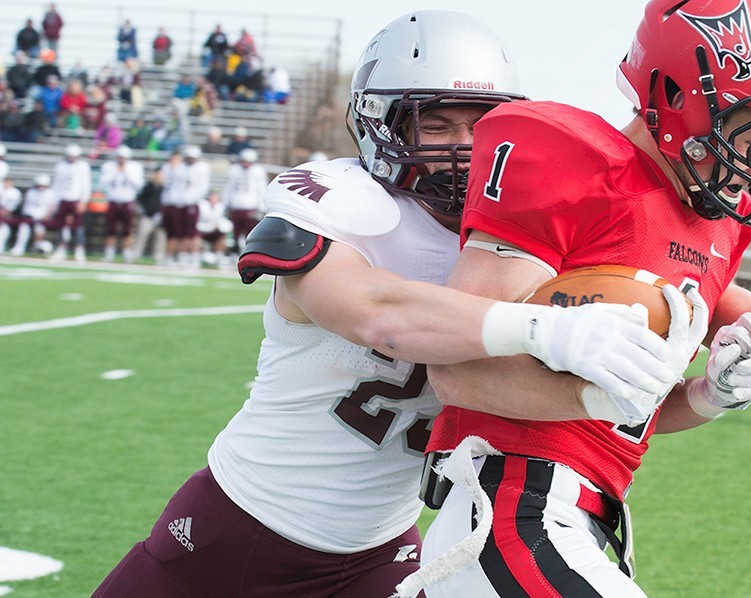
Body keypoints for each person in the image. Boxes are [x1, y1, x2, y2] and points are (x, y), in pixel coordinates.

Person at [92, 11, 688, 597]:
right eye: (436, 125)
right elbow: (379, 315)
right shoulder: (347, 211)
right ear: (383, 124)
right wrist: (542, 327)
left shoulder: (519, 243)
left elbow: (585, 412)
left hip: (383, 551)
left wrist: (709, 386)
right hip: (242, 526)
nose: (463, 148)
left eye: (479, 126)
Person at [407, 1, 751, 597]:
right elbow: (459, 372)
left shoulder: (708, 221)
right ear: (678, 96)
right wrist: (586, 384)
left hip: (577, 515)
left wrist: (719, 386)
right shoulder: (576, 163)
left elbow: (626, 414)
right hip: (508, 508)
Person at [159, 144, 208, 267]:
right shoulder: (179, 168)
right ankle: (180, 255)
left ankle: (190, 256)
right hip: (178, 204)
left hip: (191, 203)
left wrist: (192, 199)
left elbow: (202, 187)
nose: (190, 160)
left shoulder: (201, 168)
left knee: (191, 233)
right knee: (178, 232)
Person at [99, 145, 145, 262]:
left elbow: (139, 184)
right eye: (120, 157)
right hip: (113, 200)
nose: (121, 159)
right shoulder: (109, 166)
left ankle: (126, 253)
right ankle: (109, 253)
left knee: (127, 229)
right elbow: (103, 182)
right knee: (111, 229)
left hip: (127, 201)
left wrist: (126, 172)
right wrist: (116, 172)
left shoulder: (134, 167)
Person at [49, 143, 92, 262]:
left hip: (76, 199)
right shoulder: (61, 166)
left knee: (78, 226)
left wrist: (83, 201)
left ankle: (79, 250)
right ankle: (60, 249)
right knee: (61, 225)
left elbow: (86, 185)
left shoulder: (83, 166)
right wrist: (54, 201)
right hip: (63, 198)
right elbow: (57, 184)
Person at [222, 147, 267, 256]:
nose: (246, 164)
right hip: (236, 206)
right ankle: (234, 253)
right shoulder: (234, 170)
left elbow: (262, 189)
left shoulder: (258, 171)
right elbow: (229, 188)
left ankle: (248, 253)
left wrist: (261, 208)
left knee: (249, 233)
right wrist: (226, 204)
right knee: (235, 233)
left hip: (250, 206)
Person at [5, 173, 57, 256]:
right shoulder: (31, 192)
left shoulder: (50, 193)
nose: (41, 187)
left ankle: (36, 247)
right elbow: (27, 206)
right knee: (24, 226)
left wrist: (46, 216)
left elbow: (52, 208)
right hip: (30, 216)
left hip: (43, 218)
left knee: (39, 228)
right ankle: (20, 247)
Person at [131, 168, 166, 264]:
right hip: (148, 216)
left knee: (160, 238)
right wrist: (145, 211)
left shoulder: (165, 188)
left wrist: (162, 213)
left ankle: (159, 257)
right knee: (141, 235)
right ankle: (135, 255)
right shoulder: (149, 186)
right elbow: (140, 199)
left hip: (161, 217)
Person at [196, 191, 232, 266]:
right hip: (203, 231)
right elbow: (197, 222)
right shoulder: (202, 206)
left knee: (222, 237)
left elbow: (225, 222)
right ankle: (194, 258)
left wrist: (218, 226)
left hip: (215, 231)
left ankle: (219, 257)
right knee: (195, 238)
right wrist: (209, 227)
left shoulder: (221, 207)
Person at [0, 176, 24, 254]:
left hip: (12, 215)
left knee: (4, 224)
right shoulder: (2, 190)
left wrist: (4, 212)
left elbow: (11, 208)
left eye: (8, 182)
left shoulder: (14, 192)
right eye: (5, 182)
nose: (6, 184)